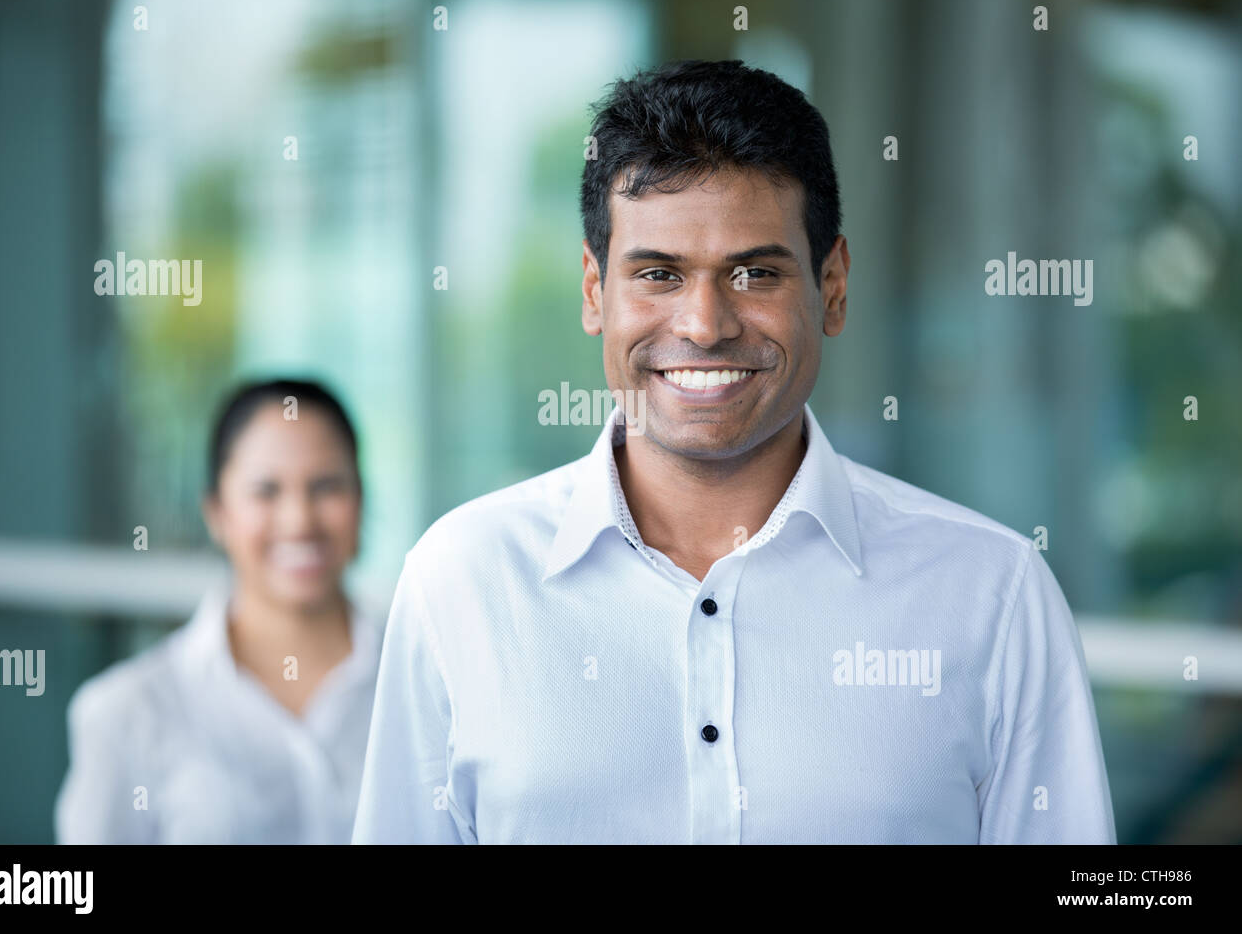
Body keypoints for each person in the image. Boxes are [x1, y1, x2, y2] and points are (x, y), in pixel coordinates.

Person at [352, 59, 1117, 844]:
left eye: (754, 273)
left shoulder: (992, 595)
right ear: (593, 290)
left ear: (834, 285)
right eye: (658, 274)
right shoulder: (463, 581)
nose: (705, 325)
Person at [56, 378, 382, 843]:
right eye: (266, 491)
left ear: (360, 501)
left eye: (327, 486)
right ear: (217, 512)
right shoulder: (128, 711)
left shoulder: (425, 682)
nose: (299, 520)